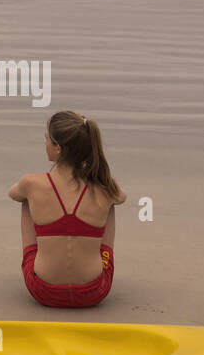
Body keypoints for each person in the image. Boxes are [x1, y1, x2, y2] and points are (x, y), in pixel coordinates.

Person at [7, 111, 126, 308]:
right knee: (110, 203)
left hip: (43, 291)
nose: (45, 144)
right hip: (94, 291)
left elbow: (12, 194)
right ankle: (101, 258)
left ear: (58, 149)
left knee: (26, 200)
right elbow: (122, 197)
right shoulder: (104, 185)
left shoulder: (32, 182)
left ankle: (35, 258)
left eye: (47, 139)